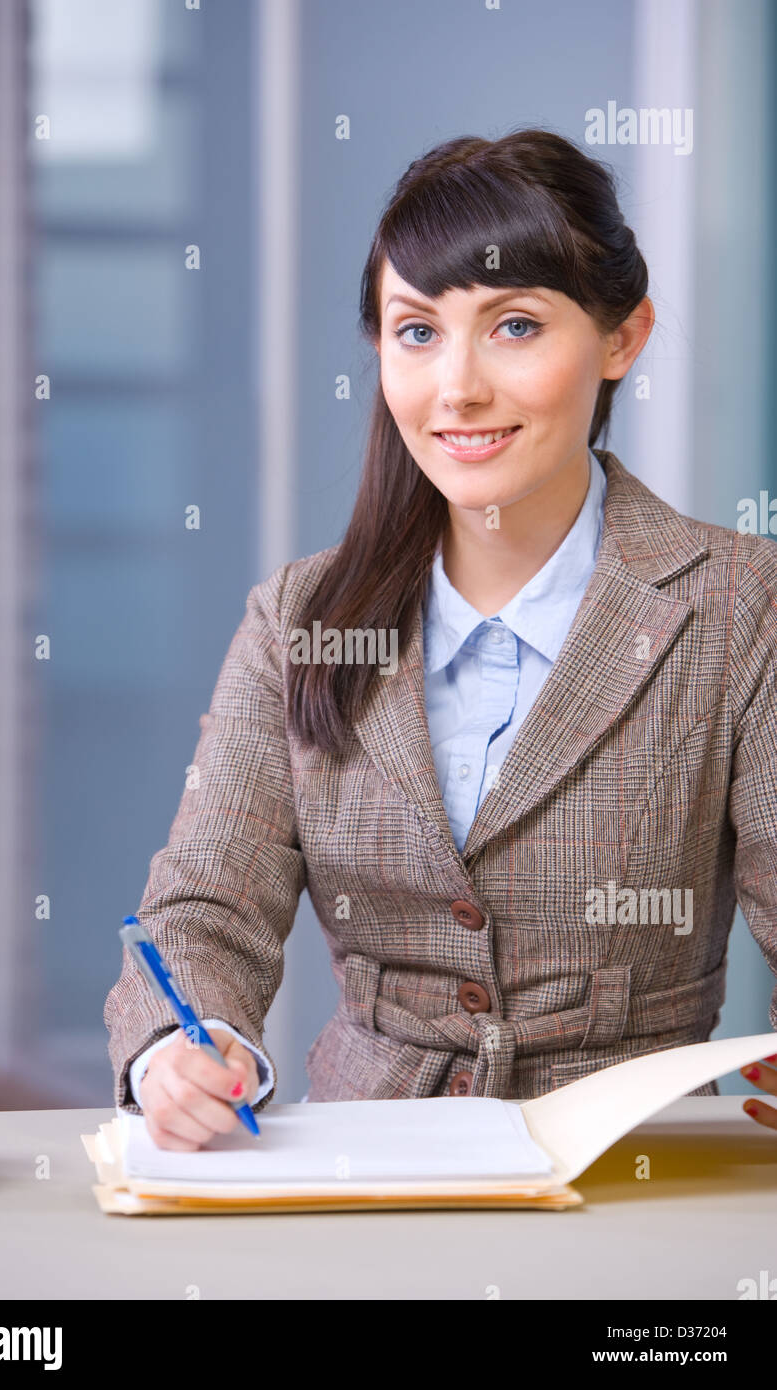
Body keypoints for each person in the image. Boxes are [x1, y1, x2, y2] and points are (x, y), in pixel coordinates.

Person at [104, 129, 777, 1152]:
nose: (455, 388)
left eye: (512, 326)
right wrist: (177, 1052)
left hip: (633, 1176)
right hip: (357, 1175)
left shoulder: (737, 605)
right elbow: (201, 909)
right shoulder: (298, 620)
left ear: (620, 337)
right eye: (416, 332)